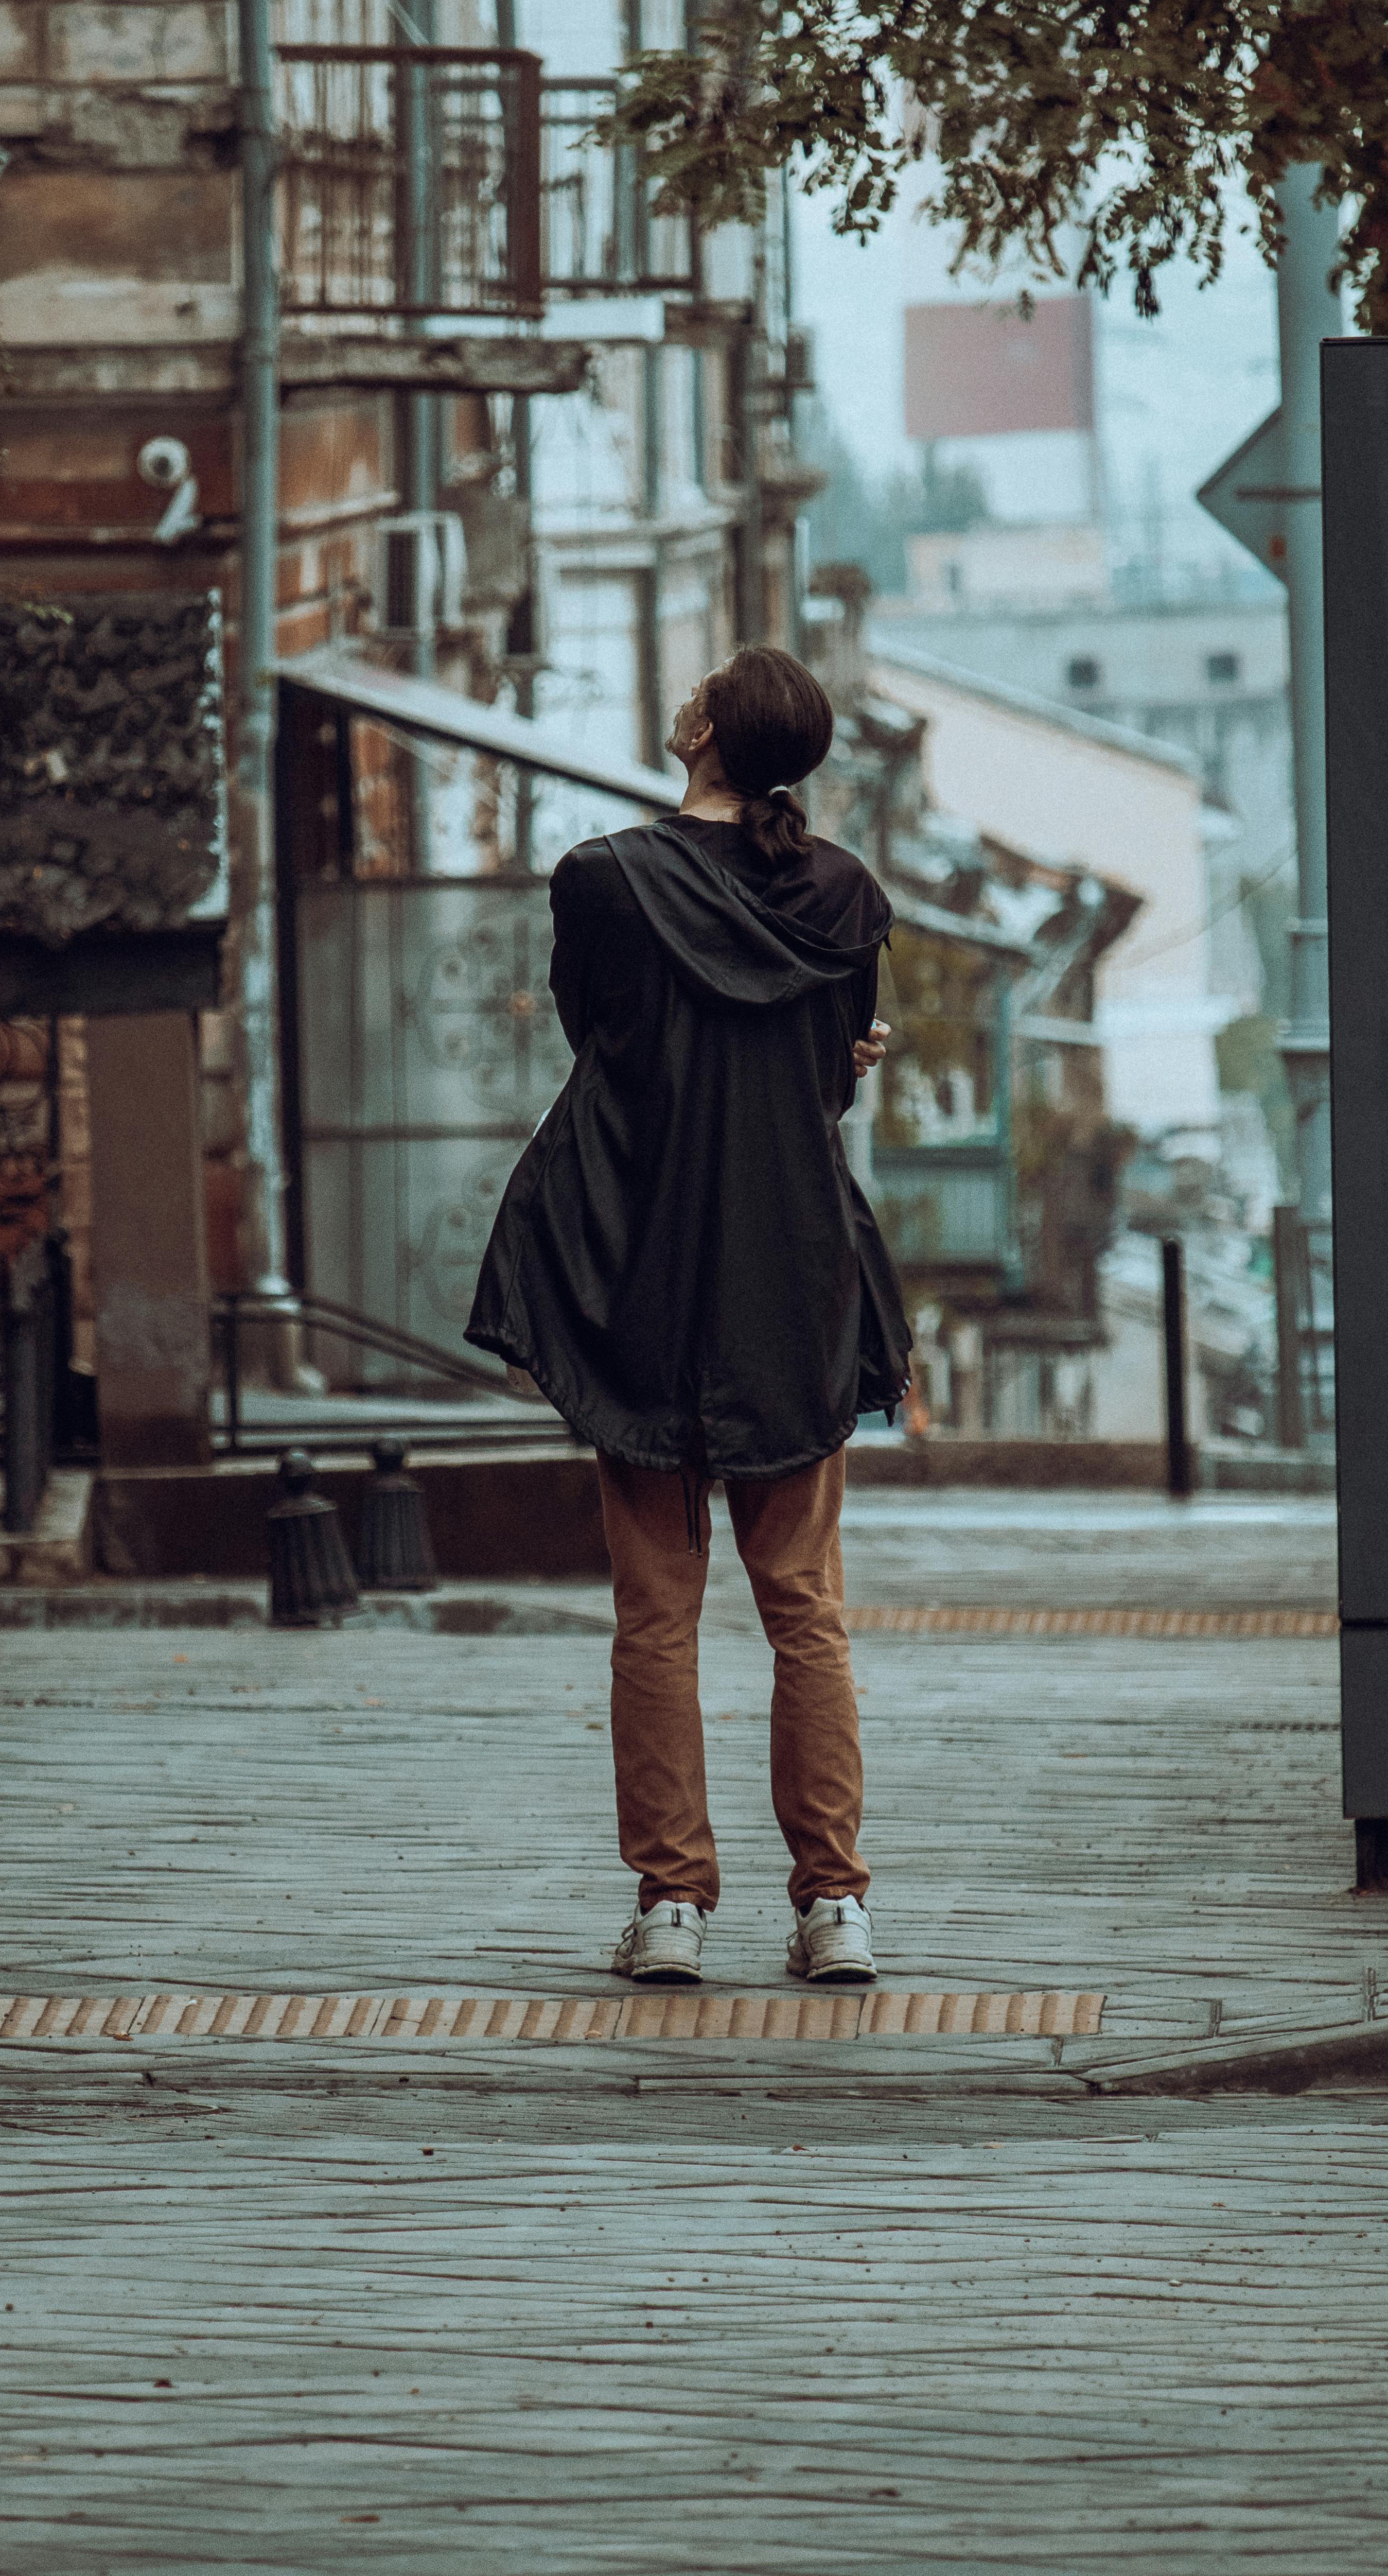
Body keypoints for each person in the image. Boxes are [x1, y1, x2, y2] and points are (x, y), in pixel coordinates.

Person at [467, 645, 910, 1988]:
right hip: (792, 1275)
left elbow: (601, 1049)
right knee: (806, 1612)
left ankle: (672, 1906)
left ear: (705, 729)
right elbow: (830, 1085)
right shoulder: (844, 898)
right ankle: (833, 1906)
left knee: (654, 1614)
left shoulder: (604, 884)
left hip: (643, 1272)